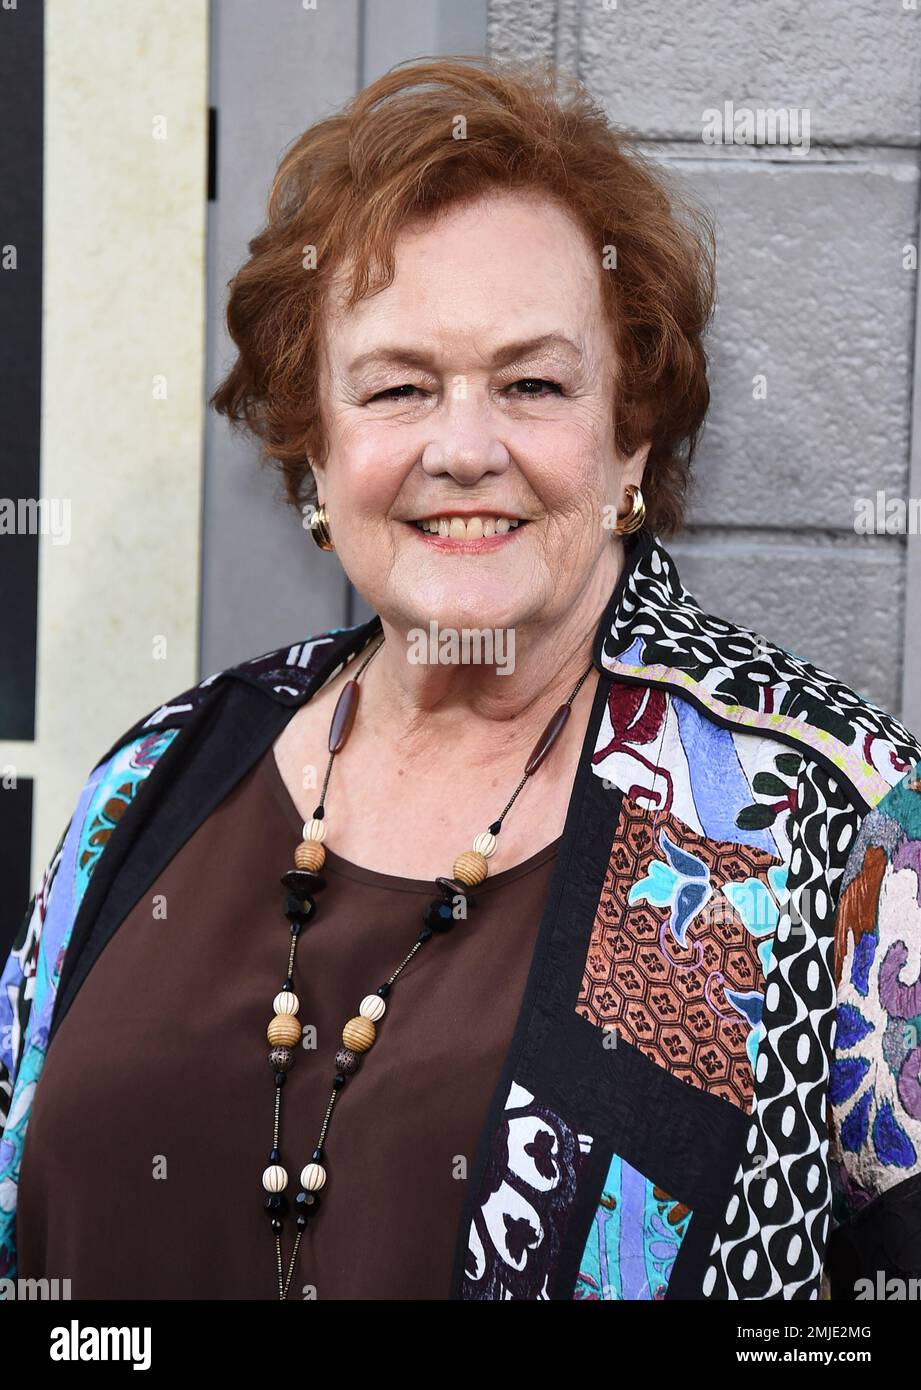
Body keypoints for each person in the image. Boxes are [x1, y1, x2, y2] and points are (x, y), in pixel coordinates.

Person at [2, 55, 919, 1303]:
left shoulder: (827, 817)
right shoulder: (155, 776)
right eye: (399, 387)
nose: (465, 447)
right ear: (316, 449)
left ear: (629, 435)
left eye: (533, 384)